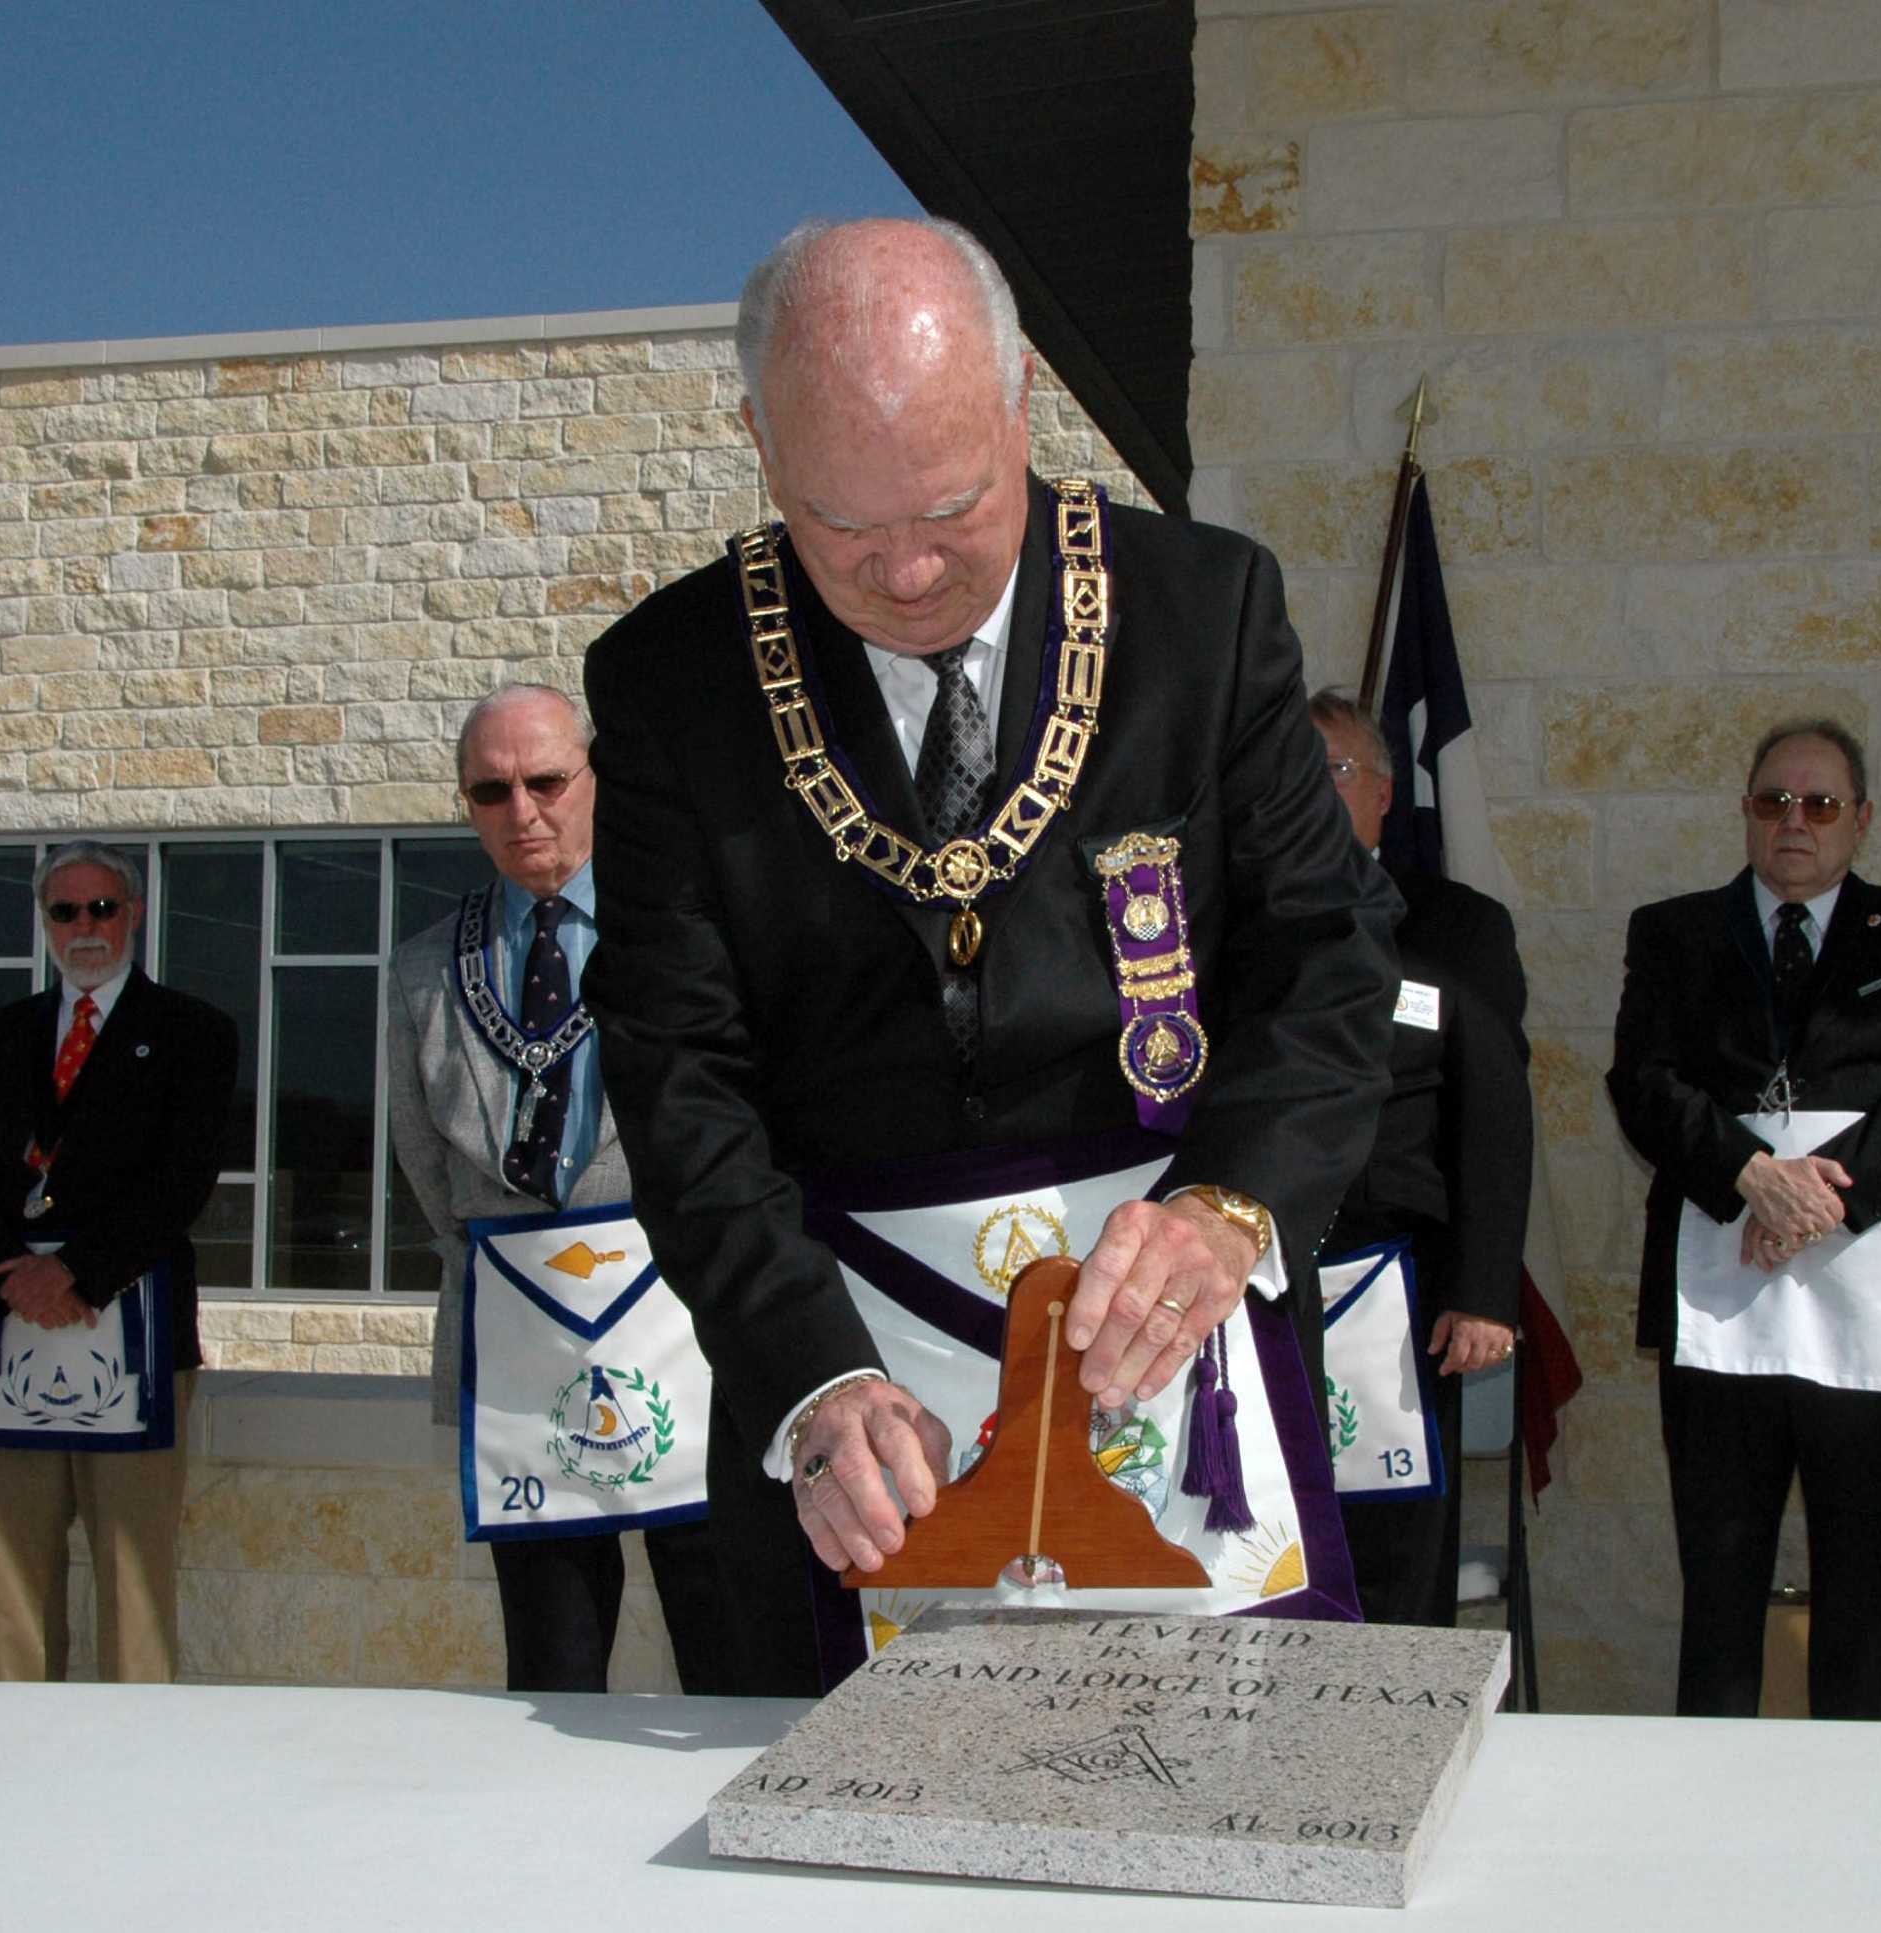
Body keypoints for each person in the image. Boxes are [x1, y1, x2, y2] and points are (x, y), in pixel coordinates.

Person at [583, 216, 1401, 1694]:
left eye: (955, 506)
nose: (906, 572)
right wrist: (806, 1375)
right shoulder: (668, 680)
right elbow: (674, 1067)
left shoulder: (1202, 614)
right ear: (759, 446)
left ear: (1023, 399)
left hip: (1167, 1341)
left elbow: (1328, 953)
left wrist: (1233, 1209)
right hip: (844, 1380)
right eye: (840, 524)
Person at [1607, 719, 1881, 1719]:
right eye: (1773, 800)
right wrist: (1748, 1174)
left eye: (1819, 803)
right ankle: (1710, 1795)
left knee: (1869, 1582)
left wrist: (1823, 1195)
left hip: (1871, 1289)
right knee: (1719, 1576)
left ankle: (1861, 1804)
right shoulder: (1673, 932)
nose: (1795, 821)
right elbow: (1642, 1081)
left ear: (1860, 819)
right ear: (1743, 811)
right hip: (1720, 1285)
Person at [387, 683, 725, 1694]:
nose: (522, 812)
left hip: (688, 1339)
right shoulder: (423, 969)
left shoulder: (687, 929)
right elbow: (425, 1165)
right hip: (521, 1356)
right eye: (490, 792)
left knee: (724, 1640)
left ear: (595, 779)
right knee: (549, 1665)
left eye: (545, 781)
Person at [0, 840, 238, 1680]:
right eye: (65, 910)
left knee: (133, 1579)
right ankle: (20, 1748)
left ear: (135, 914)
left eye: (103, 907)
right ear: (45, 922)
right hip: (16, 1335)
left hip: (136, 1333)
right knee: (12, 1580)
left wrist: (76, 1273)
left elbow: (181, 1181)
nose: (85, 926)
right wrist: (19, 1275)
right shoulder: (1, 1036)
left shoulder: (194, 1032)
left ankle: (137, 1754)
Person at [1309, 690, 1531, 1625]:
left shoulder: (1456, 924)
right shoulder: (1221, 917)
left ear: (1384, 793)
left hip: (1399, 1286)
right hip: (1257, 1278)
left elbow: (1494, 1108)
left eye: (1335, 769)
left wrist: (1483, 1290)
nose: (1313, 788)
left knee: (1395, 1559)